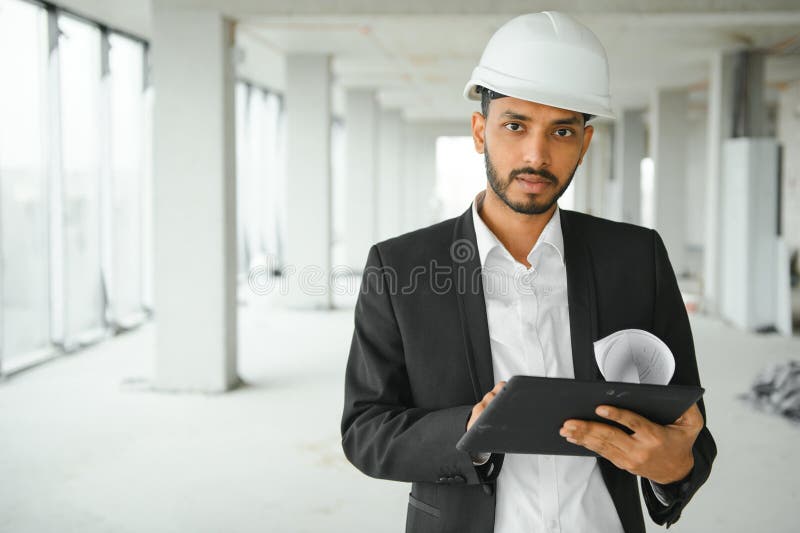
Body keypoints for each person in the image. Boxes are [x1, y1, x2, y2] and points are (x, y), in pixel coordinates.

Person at [341, 11, 716, 533]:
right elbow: (365, 429)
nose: (536, 155)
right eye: (514, 125)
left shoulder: (636, 258)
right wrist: (469, 432)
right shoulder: (401, 267)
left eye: (561, 131)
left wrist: (674, 468)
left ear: (584, 143)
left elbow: (687, 424)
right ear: (480, 130)